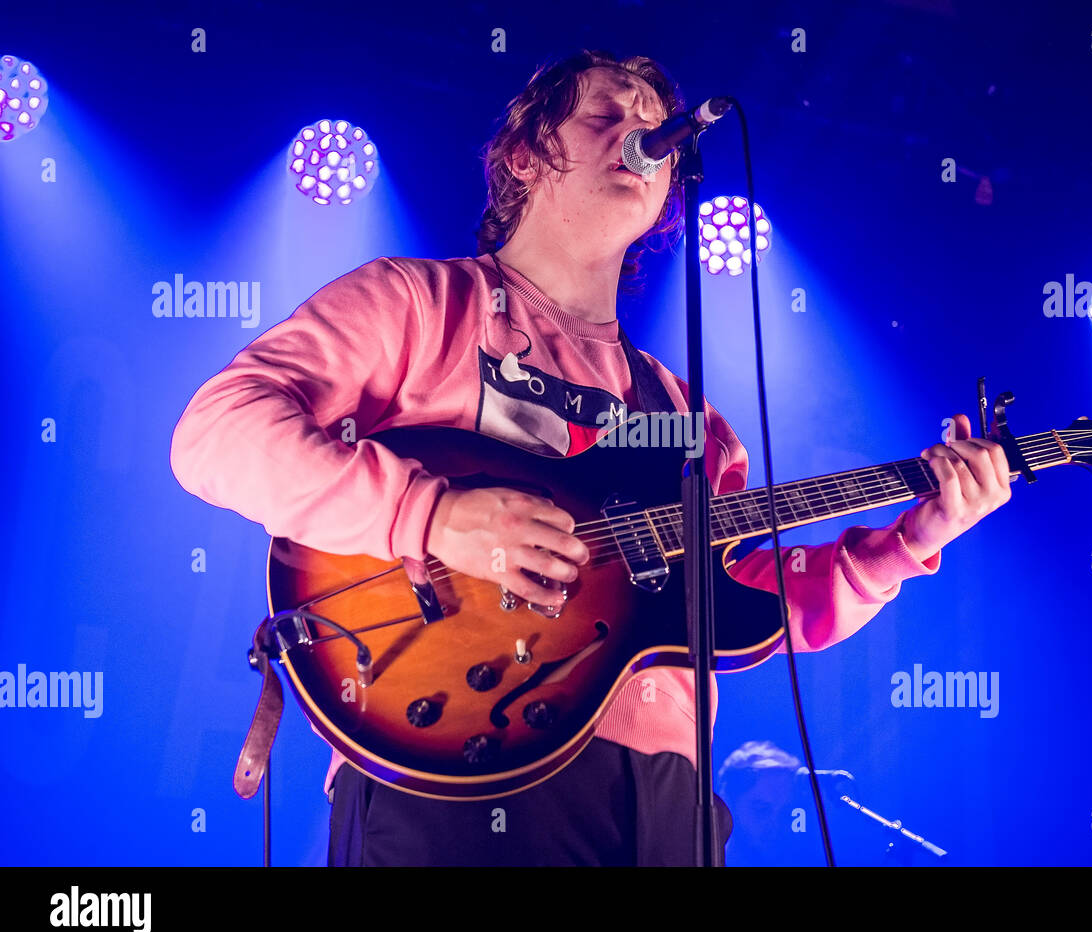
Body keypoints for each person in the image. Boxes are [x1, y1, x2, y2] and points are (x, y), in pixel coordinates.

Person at [169, 49, 1012, 866]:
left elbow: (737, 602)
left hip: (666, 798)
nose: (638, 138)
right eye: (605, 116)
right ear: (529, 154)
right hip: (456, 762)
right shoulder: (418, 305)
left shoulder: (689, 417)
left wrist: (909, 537)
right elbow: (217, 431)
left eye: (654, 126)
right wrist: (432, 514)